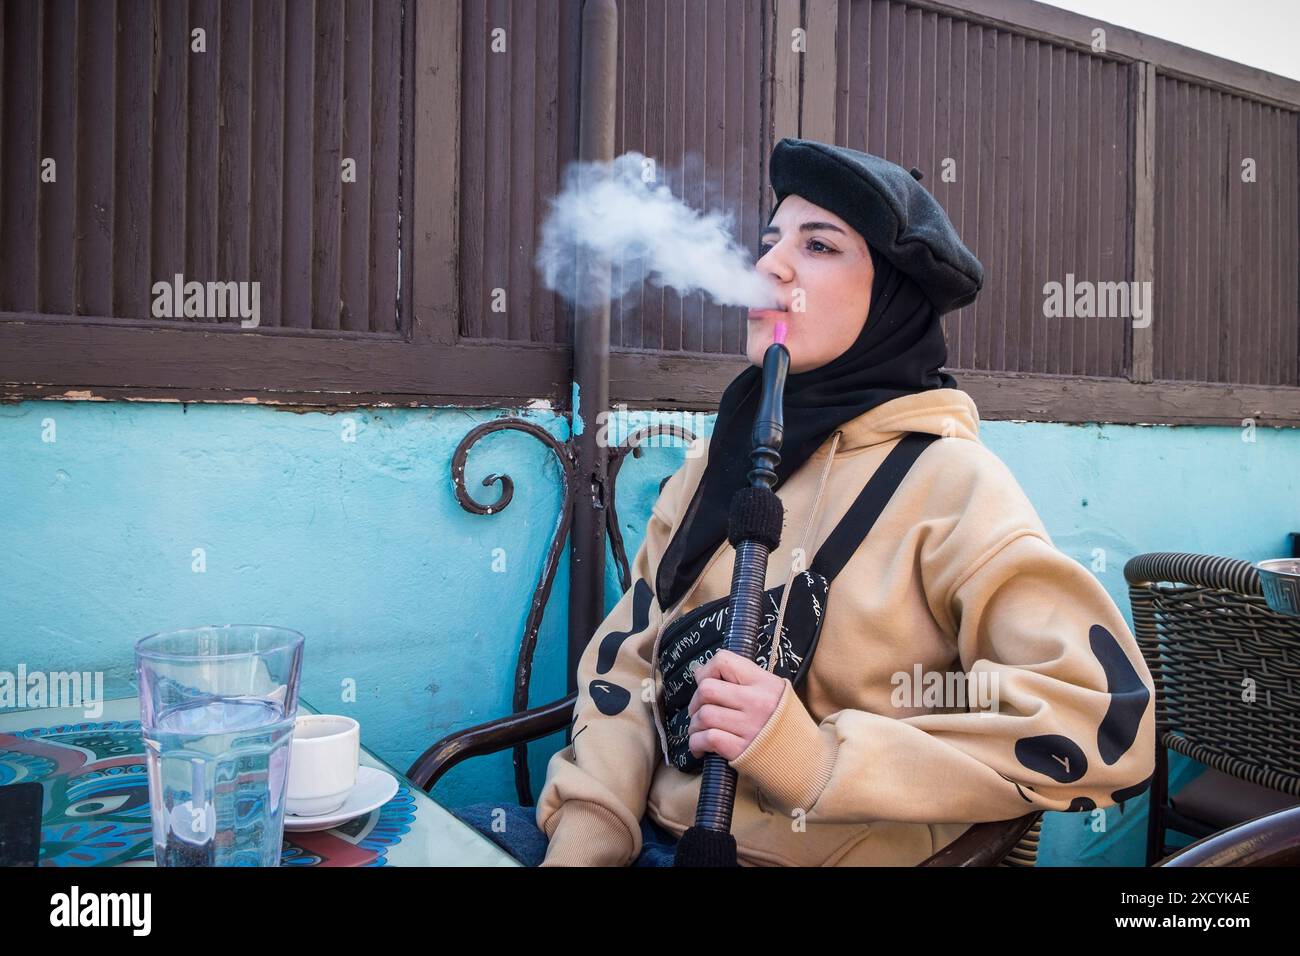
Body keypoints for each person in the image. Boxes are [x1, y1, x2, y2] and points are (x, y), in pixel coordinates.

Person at [455, 137, 1155, 867]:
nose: (768, 266)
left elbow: (1105, 724)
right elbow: (630, 665)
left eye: (818, 245)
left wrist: (814, 758)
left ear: (892, 298)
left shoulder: (954, 484)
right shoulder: (715, 463)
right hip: (646, 843)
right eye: (769, 241)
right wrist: (590, 835)